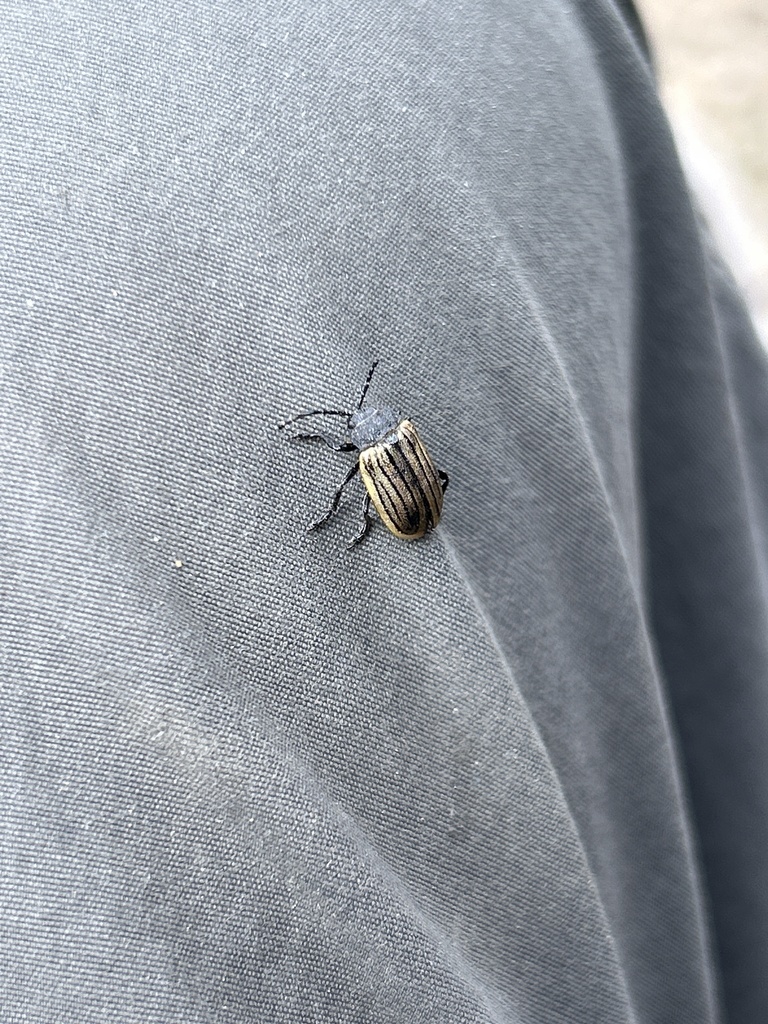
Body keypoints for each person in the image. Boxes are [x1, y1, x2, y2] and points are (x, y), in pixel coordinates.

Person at [2, 1, 766, 1020]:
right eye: (357, 426)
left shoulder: (378, 451)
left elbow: (391, 484)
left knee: (355, 511)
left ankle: (346, 525)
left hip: (412, 515)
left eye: (357, 423)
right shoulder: (397, 438)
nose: (359, 429)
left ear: (373, 430)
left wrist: (363, 496)